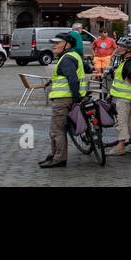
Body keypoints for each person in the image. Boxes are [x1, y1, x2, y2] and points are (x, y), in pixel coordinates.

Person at [41, 32, 86, 169]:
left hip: (63, 99)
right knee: (56, 128)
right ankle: (54, 154)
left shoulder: (67, 58)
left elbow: (72, 79)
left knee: (57, 130)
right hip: (66, 97)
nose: (54, 45)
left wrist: (76, 98)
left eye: (57, 43)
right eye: (53, 43)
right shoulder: (71, 56)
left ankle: (59, 158)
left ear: (67, 45)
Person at [106, 36, 131, 156]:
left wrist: (126, 76)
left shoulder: (129, 62)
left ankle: (120, 146)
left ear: (128, 49)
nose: (118, 48)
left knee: (121, 122)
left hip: (124, 98)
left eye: (121, 46)